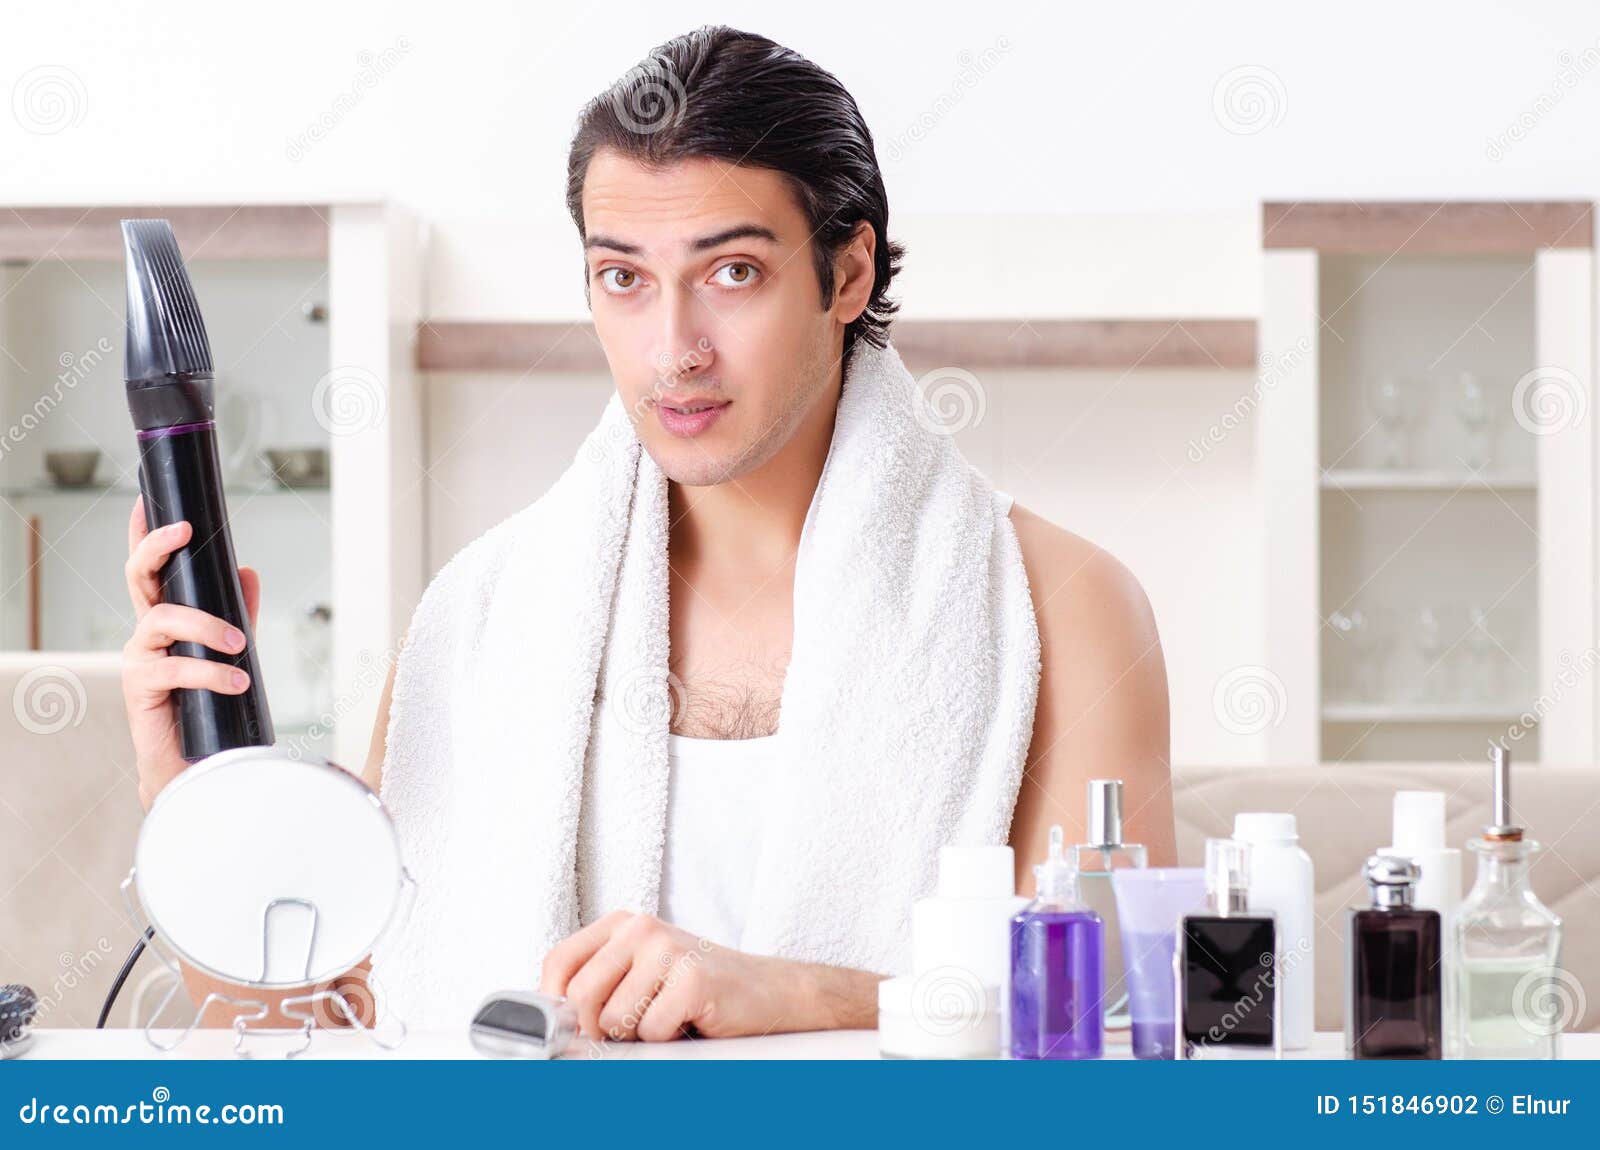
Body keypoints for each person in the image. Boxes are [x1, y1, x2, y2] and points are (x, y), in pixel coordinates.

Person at [120, 26, 1174, 1043]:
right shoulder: (480, 616)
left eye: (732, 273)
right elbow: (340, 1033)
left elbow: (1113, 1034)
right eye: (623, 278)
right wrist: (192, 806)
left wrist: (792, 992)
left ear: (847, 275)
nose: (673, 350)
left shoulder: (1054, 605)